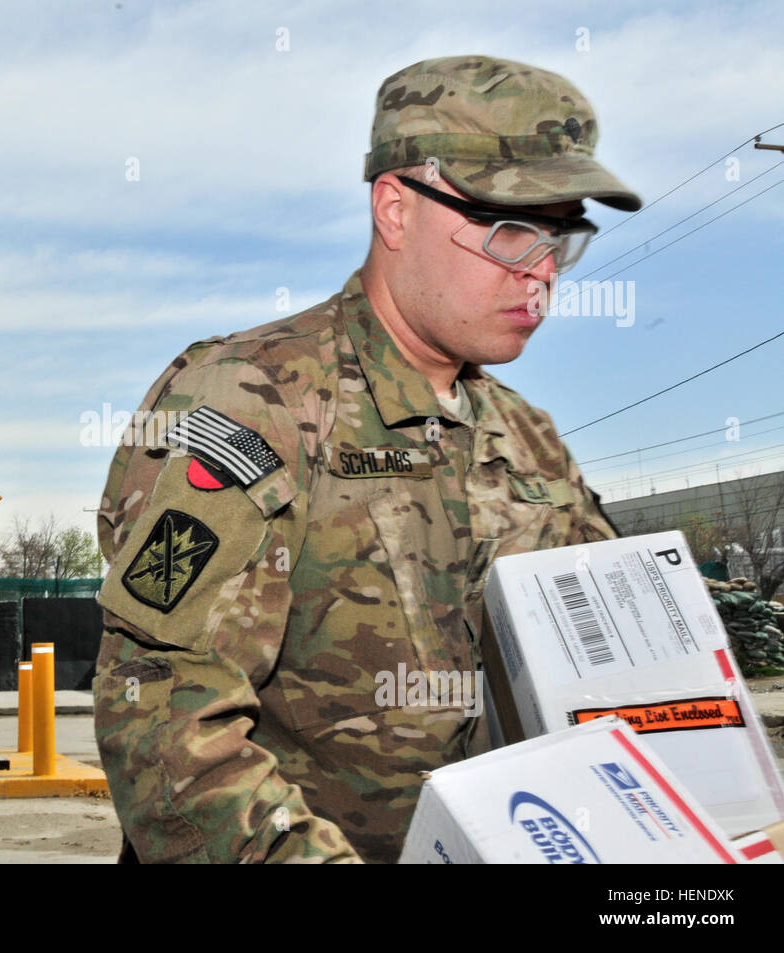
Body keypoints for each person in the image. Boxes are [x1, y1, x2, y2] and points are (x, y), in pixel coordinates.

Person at [92, 55, 640, 864]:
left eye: (561, 235)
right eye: (511, 230)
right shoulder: (256, 401)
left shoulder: (531, 441)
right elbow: (160, 717)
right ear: (395, 209)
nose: (542, 271)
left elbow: (620, 680)